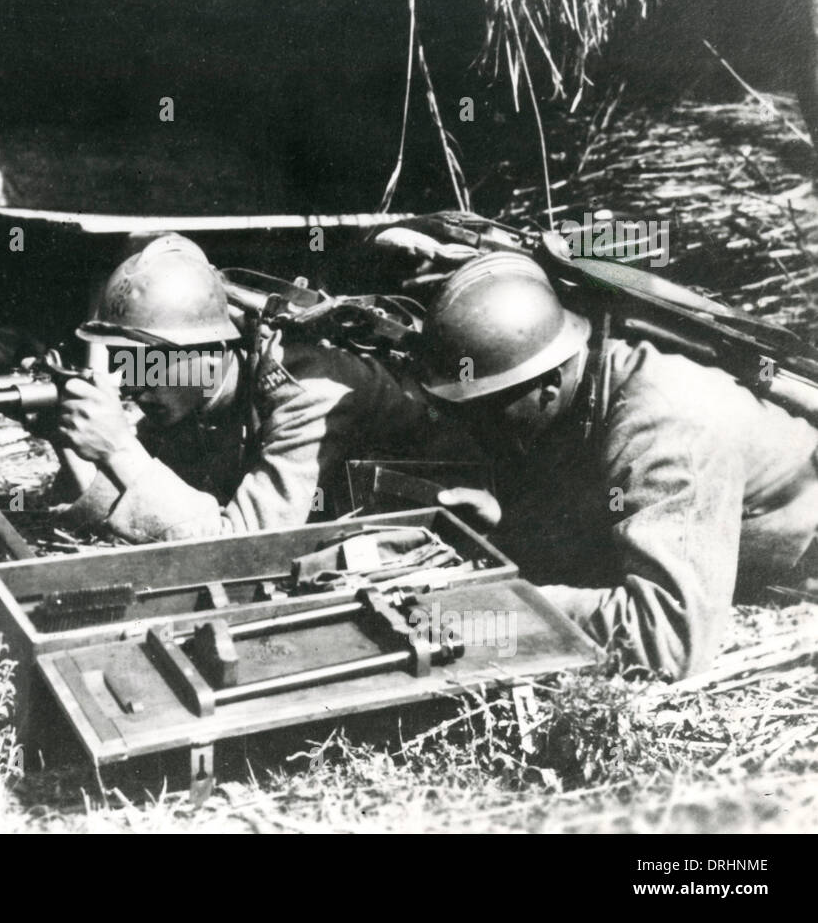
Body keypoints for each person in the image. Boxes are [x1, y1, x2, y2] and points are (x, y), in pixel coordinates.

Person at [416, 251, 818, 678]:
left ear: (548, 385)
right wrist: (514, 528)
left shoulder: (667, 427)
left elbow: (666, 639)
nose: (473, 430)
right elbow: (610, 502)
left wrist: (487, 616)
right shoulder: (589, 380)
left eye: (485, 411)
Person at [43, 233, 444, 542]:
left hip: (442, 513)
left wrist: (117, 447)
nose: (132, 382)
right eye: (122, 359)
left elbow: (242, 549)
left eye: (152, 363)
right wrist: (69, 440)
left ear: (214, 351)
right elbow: (154, 500)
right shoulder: (196, 387)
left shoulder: (305, 394)